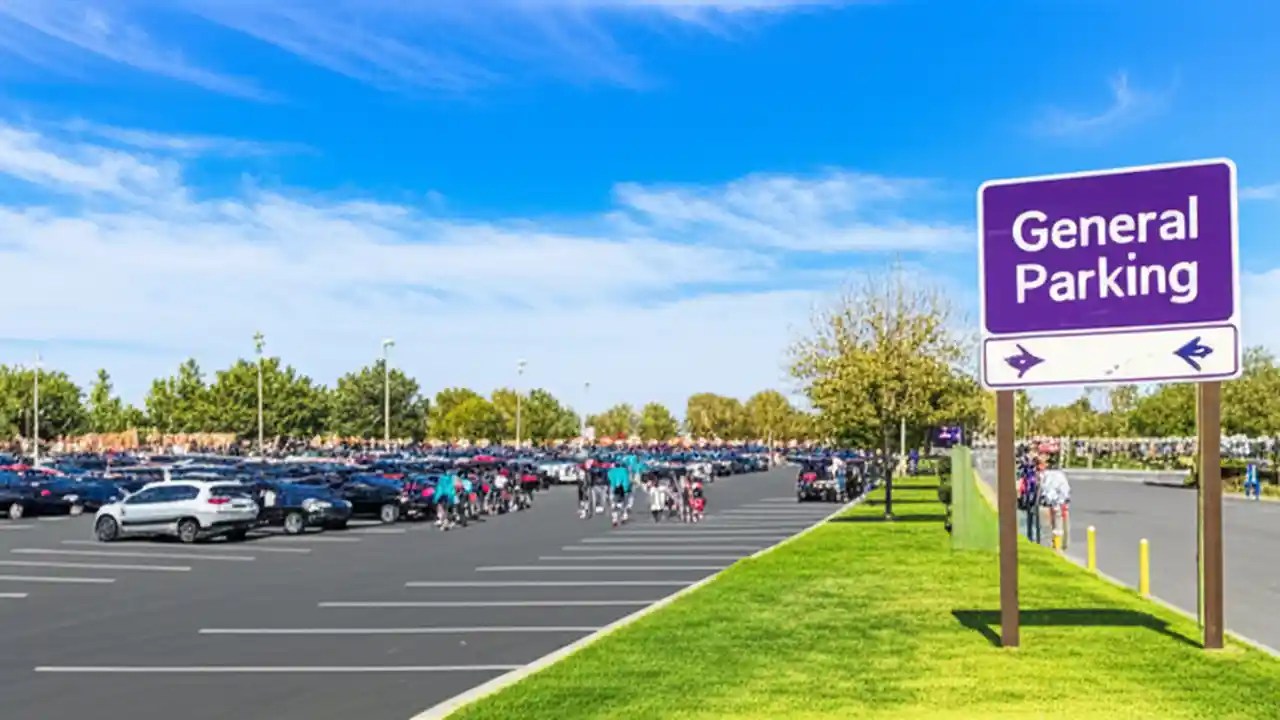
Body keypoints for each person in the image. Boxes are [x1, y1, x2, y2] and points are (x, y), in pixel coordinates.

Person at [1039, 462, 1071, 548]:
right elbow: (1065, 490)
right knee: (1059, 525)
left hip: (1046, 503)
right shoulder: (1061, 476)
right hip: (1059, 503)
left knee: (1047, 527)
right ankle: (1060, 545)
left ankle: (1049, 545)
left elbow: (1042, 488)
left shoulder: (1044, 475)